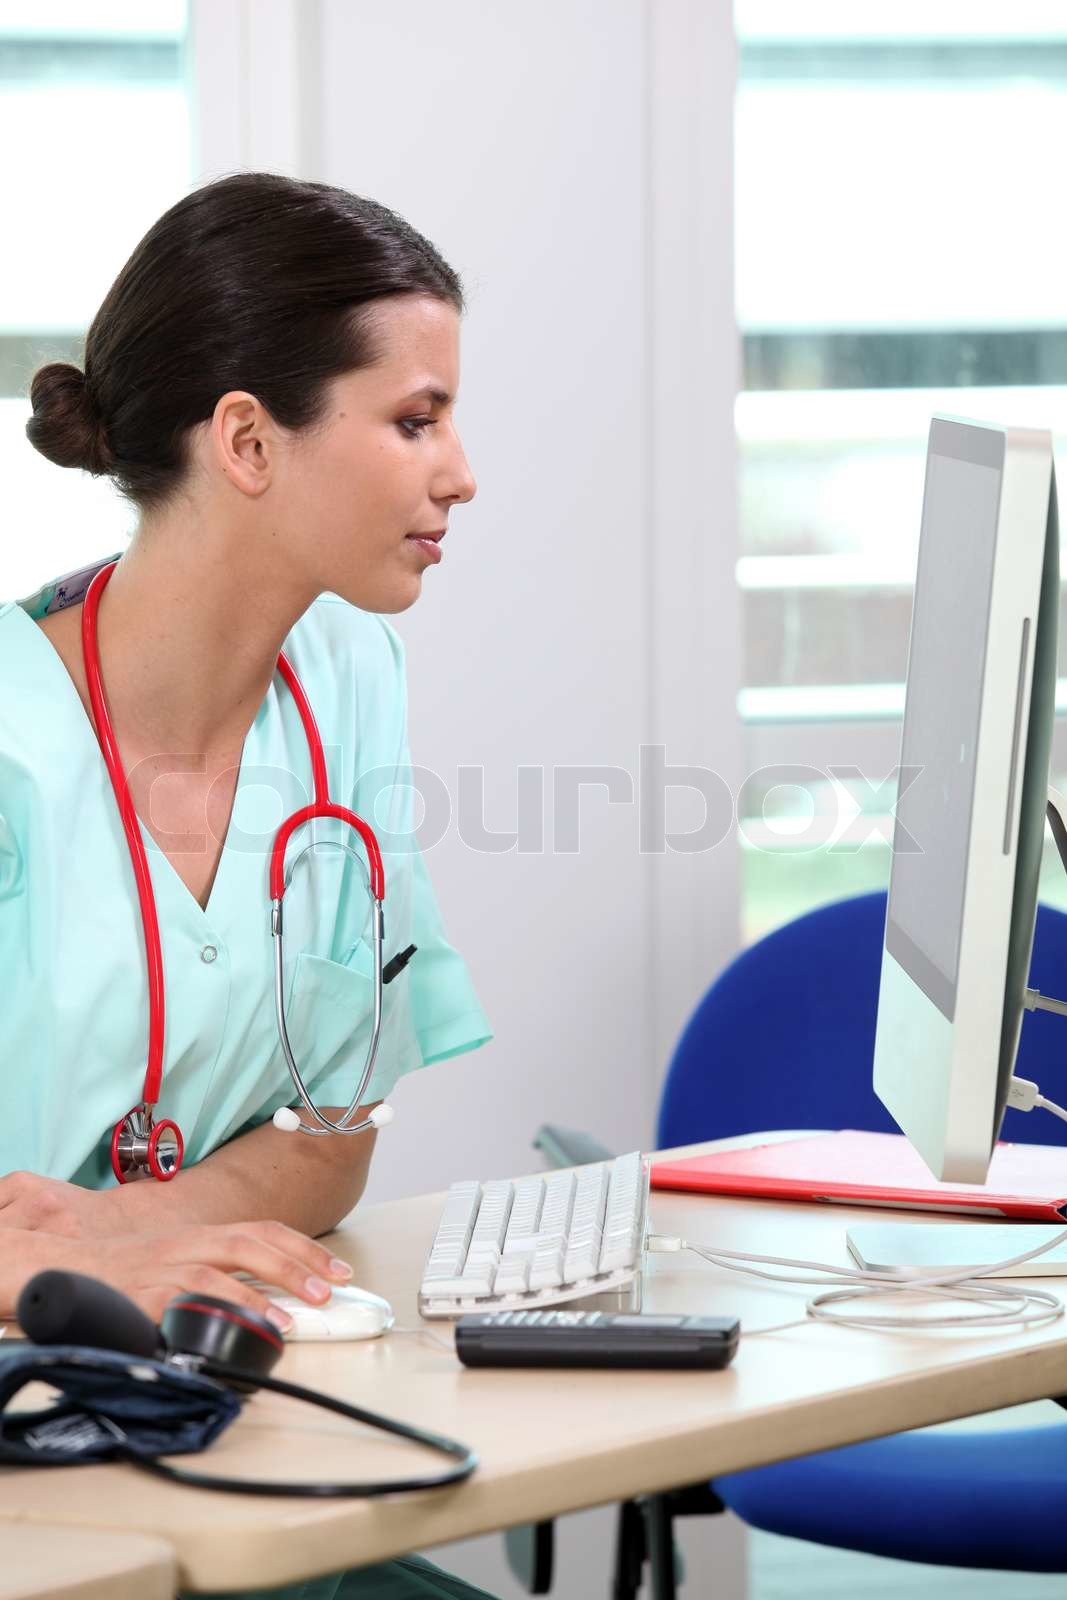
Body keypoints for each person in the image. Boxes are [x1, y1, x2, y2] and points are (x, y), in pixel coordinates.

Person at [3, 171, 497, 1600]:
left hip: (215, 1415)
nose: (458, 473)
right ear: (245, 441)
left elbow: (337, 1132)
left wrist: (101, 1232)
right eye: (415, 421)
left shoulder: (347, 680)